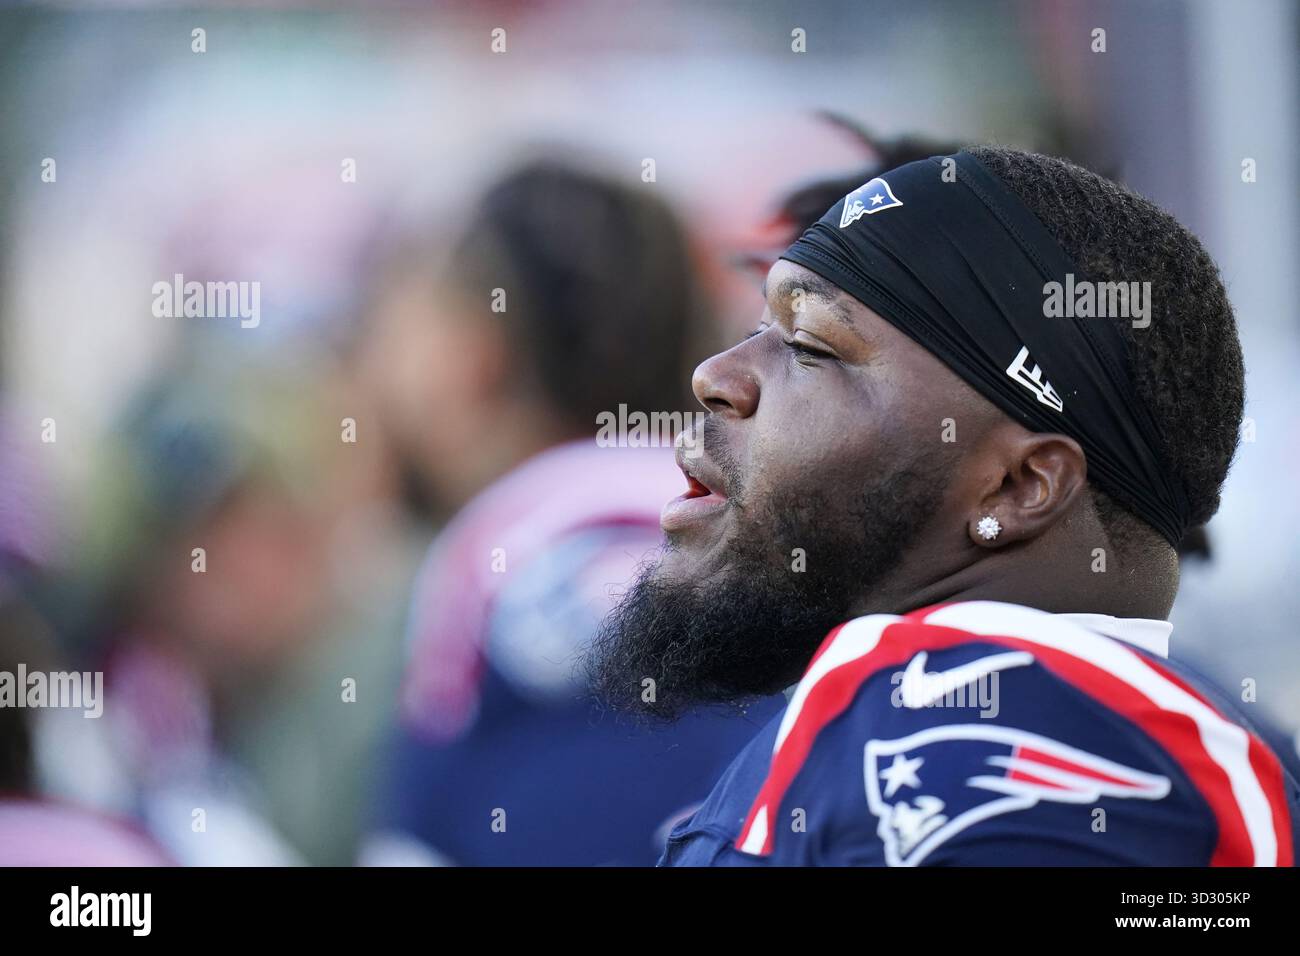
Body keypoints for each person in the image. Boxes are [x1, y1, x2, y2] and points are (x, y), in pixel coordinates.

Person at [588, 146, 1300, 866]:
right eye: (755, 333)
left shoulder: (965, 746)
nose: (717, 377)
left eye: (809, 347)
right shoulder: (1167, 746)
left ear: (1018, 487)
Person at [364, 158, 783, 867]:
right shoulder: (753, 524)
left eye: (394, 319)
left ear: (474, 351)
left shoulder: (509, 554)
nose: (369, 364)